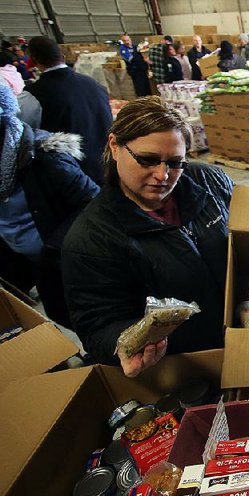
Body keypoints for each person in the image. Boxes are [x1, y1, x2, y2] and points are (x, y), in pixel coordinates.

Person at [62, 97, 233, 377]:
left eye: (175, 163)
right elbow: (99, 325)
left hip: (247, 335)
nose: (162, 175)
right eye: (148, 160)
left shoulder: (209, 182)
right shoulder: (91, 239)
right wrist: (125, 345)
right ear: (115, 146)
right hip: (191, 367)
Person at [0, 85, 99, 328]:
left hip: (63, 263)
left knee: (79, 316)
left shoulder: (46, 155)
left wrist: (53, 248)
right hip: (23, 263)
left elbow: (93, 202)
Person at [26, 36, 112, 185]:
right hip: (106, 167)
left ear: (34, 60)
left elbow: (27, 134)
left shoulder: (34, 95)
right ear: (63, 56)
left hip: (72, 175)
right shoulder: (94, 84)